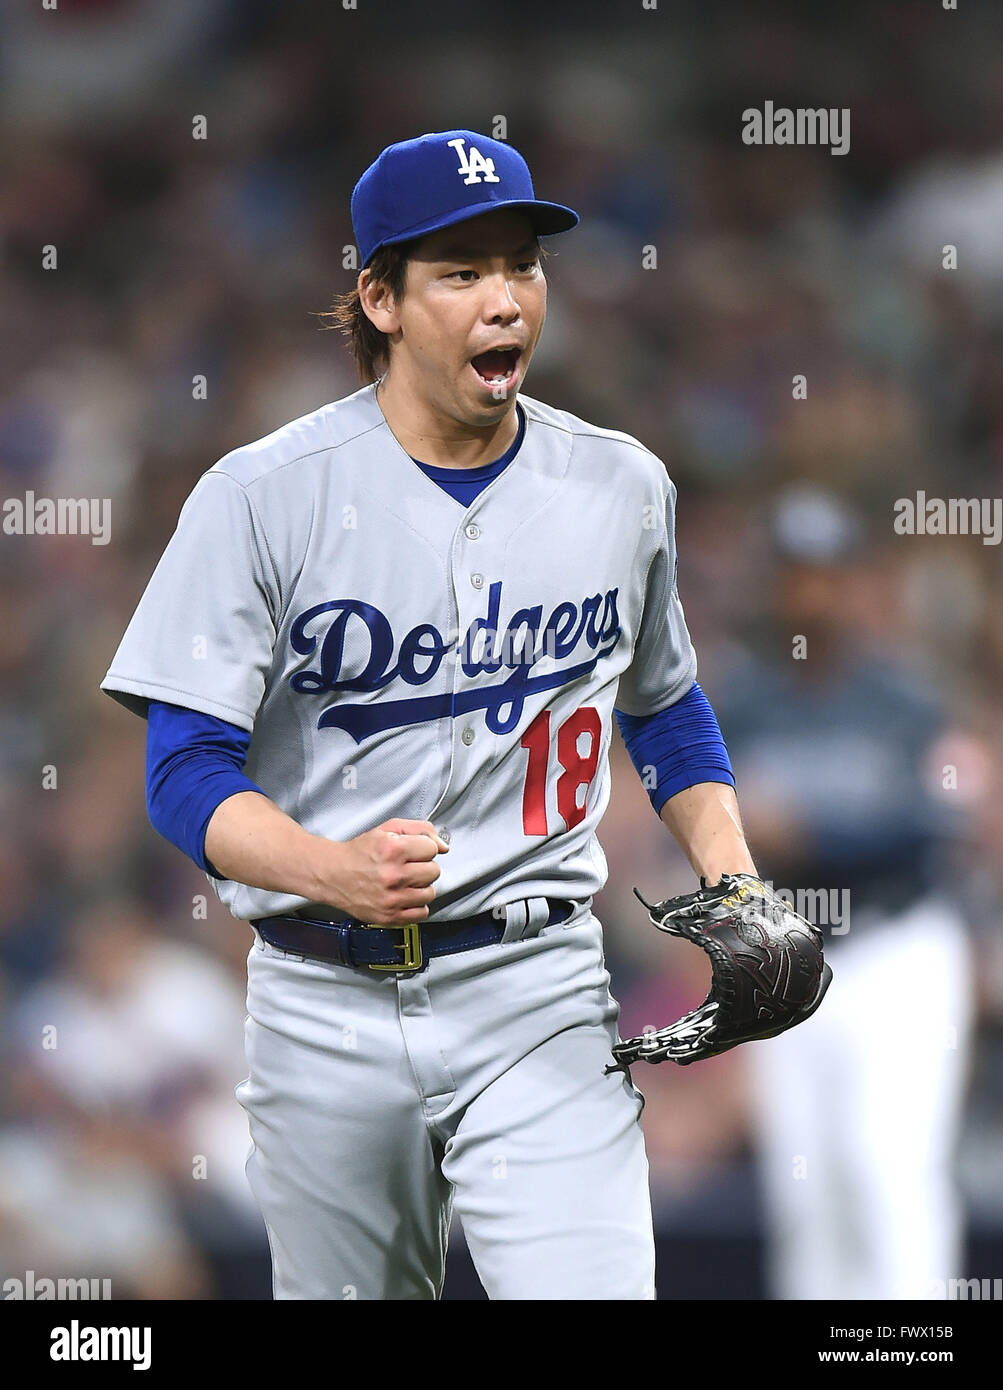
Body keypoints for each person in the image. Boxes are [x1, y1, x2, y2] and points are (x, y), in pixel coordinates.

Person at [100, 129, 753, 1301]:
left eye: (521, 264)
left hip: (536, 982)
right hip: (319, 995)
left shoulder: (619, 483)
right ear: (379, 298)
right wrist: (328, 869)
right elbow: (182, 769)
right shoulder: (262, 496)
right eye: (460, 271)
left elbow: (663, 707)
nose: (504, 298)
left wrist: (733, 874)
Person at [718, 485, 974, 1301]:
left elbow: (933, 825)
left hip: (897, 951)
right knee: (803, 1193)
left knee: (887, 1173)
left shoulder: (903, 699)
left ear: (854, 581)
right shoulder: (746, 702)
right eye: (795, 574)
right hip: (790, 962)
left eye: (824, 573)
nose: (809, 593)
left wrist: (811, 835)